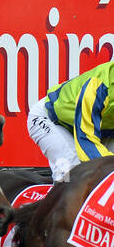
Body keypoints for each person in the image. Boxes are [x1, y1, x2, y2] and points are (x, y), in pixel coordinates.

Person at [28, 49, 114, 182]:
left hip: (97, 129)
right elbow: (86, 141)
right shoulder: (98, 87)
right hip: (49, 119)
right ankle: (59, 200)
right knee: (73, 173)